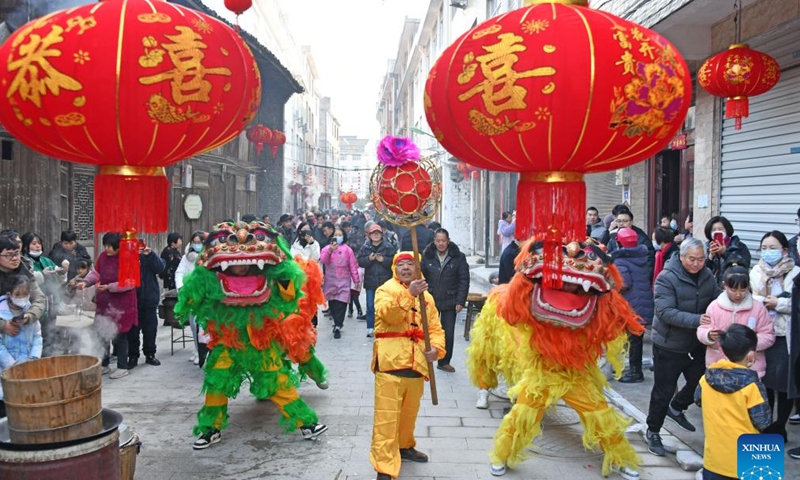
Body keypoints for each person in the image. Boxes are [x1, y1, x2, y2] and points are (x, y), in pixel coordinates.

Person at [370, 252, 445, 480]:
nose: (405, 268)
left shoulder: (428, 297)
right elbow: (387, 316)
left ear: (417, 268)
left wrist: (437, 350)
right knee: (386, 418)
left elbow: (435, 329)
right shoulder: (385, 290)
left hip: (417, 364)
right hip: (390, 363)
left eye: (410, 264)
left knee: (408, 414)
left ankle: (404, 446)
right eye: (400, 264)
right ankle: (384, 466)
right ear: (394, 268)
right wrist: (408, 295)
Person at [646, 237, 721, 457]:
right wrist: (699, 320)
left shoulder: (706, 274)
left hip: (697, 343)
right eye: (692, 259)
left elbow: (716, 297)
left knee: (703, 381)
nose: (697, 264)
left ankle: (677, 407)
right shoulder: (666, 278)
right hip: (669, 344)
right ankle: (653, 432)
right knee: (663, 391)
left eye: (701, 259)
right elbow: (665, 312)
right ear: (681, 257)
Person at [694, 324, 771, 480]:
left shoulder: (706, 380)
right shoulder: (752, 386)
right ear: (751, 356)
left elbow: (698, 400)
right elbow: (764, 421)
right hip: (750, 461)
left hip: (713, 460)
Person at [749, 230, 800, 441]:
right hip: (762, 333)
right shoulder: (755, 272)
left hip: (785, 336)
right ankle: (767, 423)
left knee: (783, 383)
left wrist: (777, 303)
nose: (768, 252)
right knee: (764, 380)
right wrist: (763, 301)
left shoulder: (795, 272)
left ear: (785, 250)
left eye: (773, 248)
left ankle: (781, 425)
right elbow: (750, 297)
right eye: (764, 248)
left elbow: (795, 304)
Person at [698, 263, 774, 379]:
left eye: (743, 290)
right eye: (733, 290)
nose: (738, 294)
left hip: (749, 368)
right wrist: (708, 335)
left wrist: (748, 344)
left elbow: (768, 335)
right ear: (724, 286)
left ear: (748, 287)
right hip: (719, 367)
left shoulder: (758, 308)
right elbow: (702, 329)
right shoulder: (714, 307)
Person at [79, 232, 138, 379]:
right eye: (105, 245)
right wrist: (86, 282)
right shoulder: (103, 257)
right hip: (105, 303)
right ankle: (104, 364)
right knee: (102, 333)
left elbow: (130, 282)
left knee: (121, 335)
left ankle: (122, 366)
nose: (107, 249)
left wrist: (109, 287)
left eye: (110, 246)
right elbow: (96, 274)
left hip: (122, 304)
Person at [420, 228, 469, 373]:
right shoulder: (427, 256)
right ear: (434, 241)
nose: (441, 244)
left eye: (443, 241)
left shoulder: (458, 257)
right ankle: (425, 357)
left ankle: (444, 361)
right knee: (427, 330)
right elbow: (421, 276)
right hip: (431, 299)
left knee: (448, 332)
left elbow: (463, 279)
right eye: (438, 240)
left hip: (450, 299)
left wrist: (460, 301)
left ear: (448, 241)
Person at [611, 228, 654, 383]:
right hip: (642, 301)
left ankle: (635, 372)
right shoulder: (641, 256)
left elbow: (625, 283)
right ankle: (633, 369)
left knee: (633, 340)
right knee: (637, 338)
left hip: (631, 304)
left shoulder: (620, 260)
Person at [0, 275, 43, 415]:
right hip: (4, 369)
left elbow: (37, 336)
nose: (22, 298)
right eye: (18, 295)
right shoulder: (1, 313)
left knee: (26, 406)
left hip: (27, 367)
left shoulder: (30, 313)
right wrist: (11, 364)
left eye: (25, 294)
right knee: (7, 405)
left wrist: (34, 358)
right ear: (9, 294)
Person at [21, 232, 66, 356]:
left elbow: (60, 282)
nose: (37, 246)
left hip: (51, 305)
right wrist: (42, 274)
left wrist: (62, 272)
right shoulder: (24, 262)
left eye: (39, 243)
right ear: (25, 246)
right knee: (37, 339)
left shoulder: (46, 260)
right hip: (34, 307)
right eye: (33, 244)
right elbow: (26, 281)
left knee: (52, 337)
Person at [0, 235, 46, 338]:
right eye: (8, 255)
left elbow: (40, 298)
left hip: (22, 333)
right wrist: (3, 325)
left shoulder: (24, 270)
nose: (15, 258)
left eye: (17, 254)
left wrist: (29, 316)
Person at [320, 226, 359, 339]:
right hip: (331, 280)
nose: (337, 237)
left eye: (339, 235)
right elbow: (323, 260)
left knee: (342, 303)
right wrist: (330, 250)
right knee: (332, 303)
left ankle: (338, 324)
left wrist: (356, 280)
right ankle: (336, 322)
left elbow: (352, 266)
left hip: (343, 280)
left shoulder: (348, 250)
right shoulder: (326, 248)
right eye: (335, 235)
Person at [357, 224, 396, 338]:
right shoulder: (365, 247)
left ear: (381, 234)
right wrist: (369, 259)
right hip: (370, 282)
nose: (376, 235)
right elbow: (360, 261)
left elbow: (394, 262)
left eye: (378, 233)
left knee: (386, 305)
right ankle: (370, 327)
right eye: (373, 233)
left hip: (385, 282)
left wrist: (383, 260)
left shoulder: (388, 247)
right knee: (370, 306)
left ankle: (385, 326)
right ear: (369, 235)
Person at [131, 241, 165, 368]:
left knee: (150, 330)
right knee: (133, 332)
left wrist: (150, 254)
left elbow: (161, 268)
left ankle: (150, 354)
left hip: (149, 300)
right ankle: (133, 356)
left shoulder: (149, 256)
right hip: (133, 301)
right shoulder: (128, 257)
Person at [176, 231, 206, 366]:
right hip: (191, 296)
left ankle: (202, 352)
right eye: (195, 242)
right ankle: (196, 349)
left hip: (204, 297)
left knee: (202, 326)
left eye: (200, 242)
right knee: (194, 325)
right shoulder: (186, 257)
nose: (197, 245)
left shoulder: (207, 256)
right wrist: (182, 288)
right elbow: (179, 273)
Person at [704, 216, 751, 285]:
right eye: (713, 230)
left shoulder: (739, 246)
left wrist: (725, 253)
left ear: (727, 230)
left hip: (732, 287)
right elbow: (703, 271)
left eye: (720, 229)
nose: (717, 232)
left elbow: (743, 266)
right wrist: (710, 257)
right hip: (711, 289)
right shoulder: (706, 247)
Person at [290, 222, 321, 327]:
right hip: (298, 277)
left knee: (311, 300)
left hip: (311, 278)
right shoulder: (295, 244)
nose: (306, 232)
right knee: (300, 300)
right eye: (304, 230)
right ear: (299, 231)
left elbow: (316, 258)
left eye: (308, 230)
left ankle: (313, 322)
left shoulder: (315, 244)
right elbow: (292, 258)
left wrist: (311, 244)